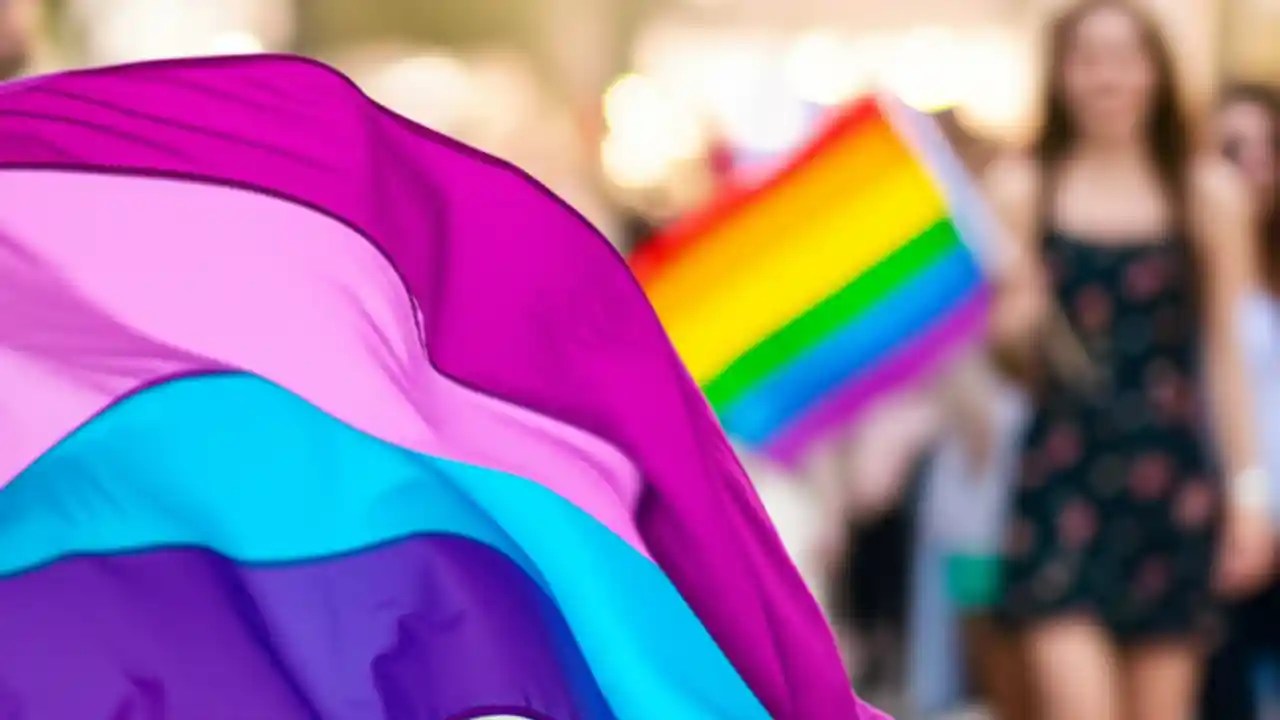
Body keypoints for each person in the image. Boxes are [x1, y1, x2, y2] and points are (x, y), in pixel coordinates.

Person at [986, 3, 1274, 719]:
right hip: (1061, 475)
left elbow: (1227, 355)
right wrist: (1013, 328)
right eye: (1087, 60)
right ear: (1060, 77)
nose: (1106, 79)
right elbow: (1006, 365)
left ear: (1156, 73)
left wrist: (1248, 496)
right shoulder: (1023, 189)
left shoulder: (1207, 194)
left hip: (1169, 480)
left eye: (1124, 59)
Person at [1200, 82, 1280, 720]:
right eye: (1233, 148)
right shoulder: (1185, 271)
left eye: (1269, 146)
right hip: (1218, 523)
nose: (1254, 162)